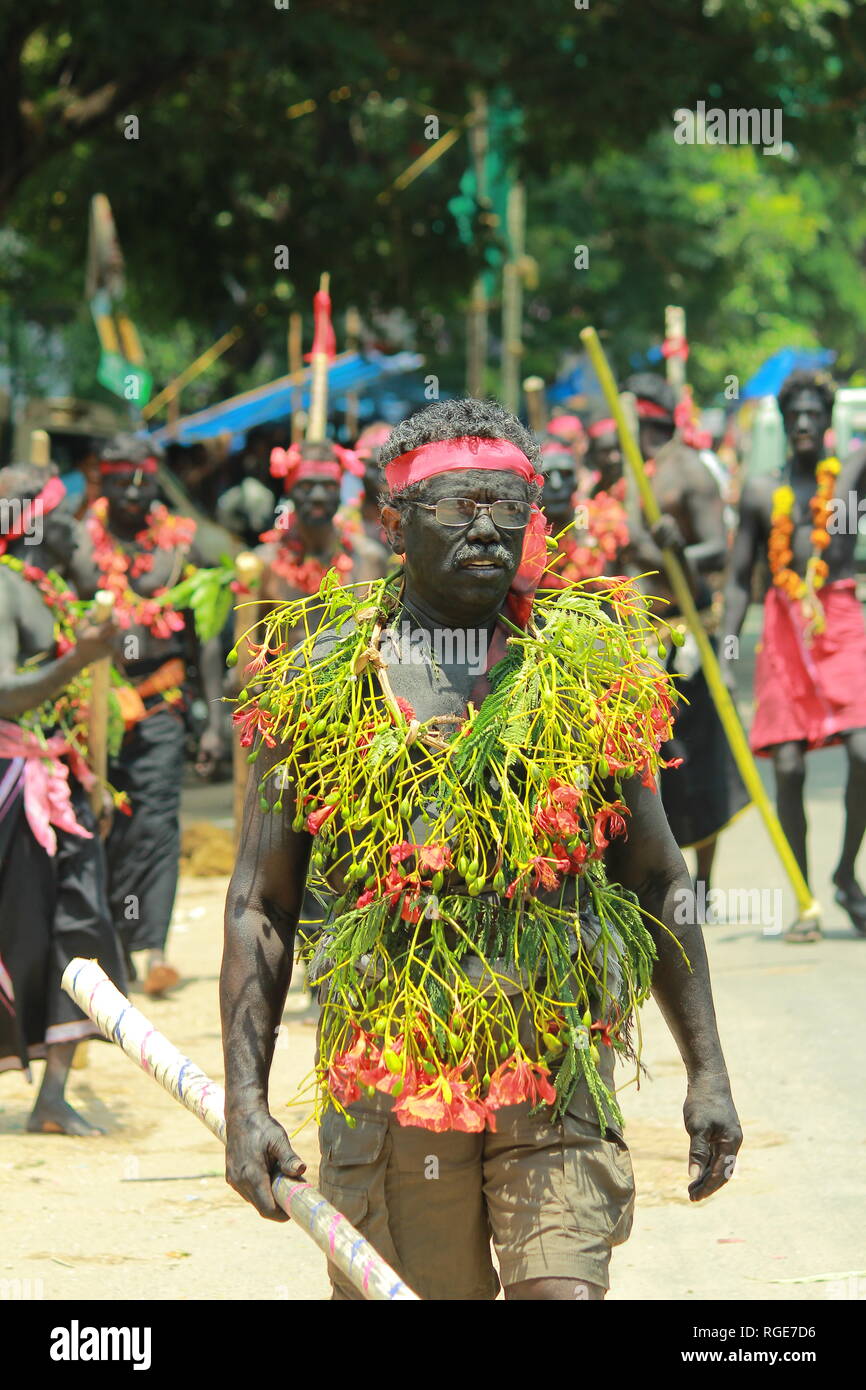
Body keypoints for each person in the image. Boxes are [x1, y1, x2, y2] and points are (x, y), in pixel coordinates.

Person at [220, 397, 741, 1302]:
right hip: (390, 1080)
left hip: (553, 1065)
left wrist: (709, 1072)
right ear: (394, 523)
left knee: (562, 1292)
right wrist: (244, 1101)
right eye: (459, 507)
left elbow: (658, 878)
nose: (489, 529)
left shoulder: (589, 672)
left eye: (510, 507)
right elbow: (262, 908)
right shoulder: (316, 681)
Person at [73, 433, 227, 995]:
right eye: (122, 481)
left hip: (162, 708)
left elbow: (208, 639)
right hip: (94, 713)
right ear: (103, 480)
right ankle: (111, 948)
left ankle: (154, 947)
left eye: (145, 480)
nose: (135, 492)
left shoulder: (185, 550)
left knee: (158, 826)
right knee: (103, 823)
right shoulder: (76, 545)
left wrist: (213, 719)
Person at [0, 463, 126, 1134]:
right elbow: (2, 694)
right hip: (16, 793)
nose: (85, 530)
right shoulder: (4, 591)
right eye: (71, 516)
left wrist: (91, 776)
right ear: (39, 525)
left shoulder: (50, 596)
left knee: (79, 925)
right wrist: (78, 660)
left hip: (57, 785)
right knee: (26, 936)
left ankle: (52, 1096)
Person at [722, 369, 866, 941]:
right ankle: (805, 899)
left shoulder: (852, 477)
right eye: (795, 416)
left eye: (814, 414)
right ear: (784, 424)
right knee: (787, 765)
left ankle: (844, 873)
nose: (804, 423)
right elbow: (738, 579)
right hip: (784, 627)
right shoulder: (761, 492)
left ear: (829, 421)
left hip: (840, 619)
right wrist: (726, 646)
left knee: (863, 749)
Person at [256, 438, 389, 625]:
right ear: (290, 490)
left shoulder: (370, 558)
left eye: (328, 486)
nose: (318, 496)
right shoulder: (263, 564)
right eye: (306, 486)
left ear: (340, 490)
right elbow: (247, 644)